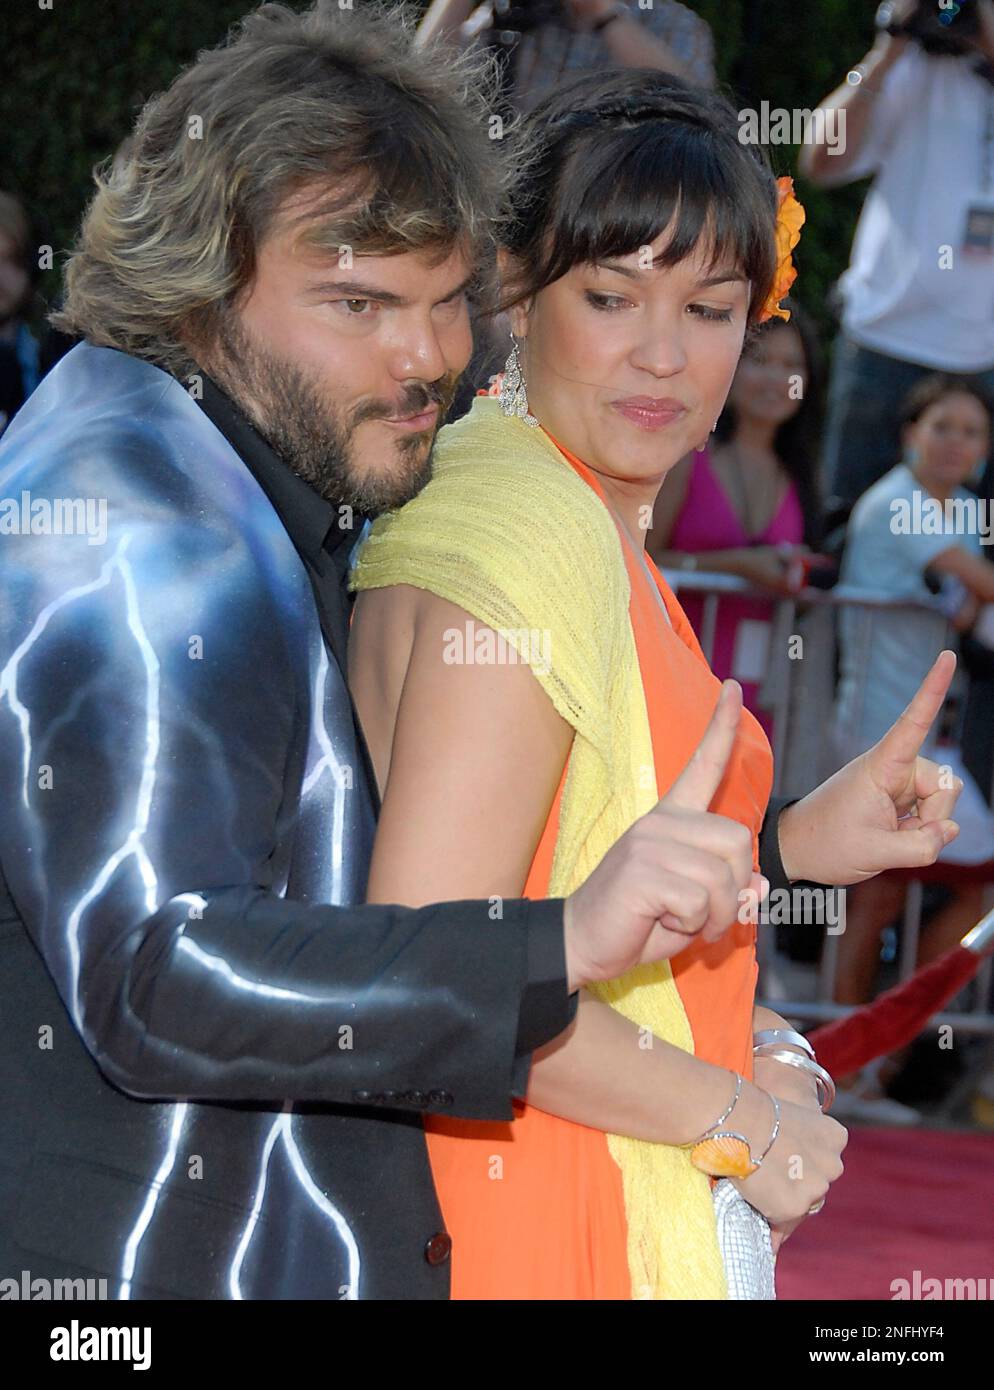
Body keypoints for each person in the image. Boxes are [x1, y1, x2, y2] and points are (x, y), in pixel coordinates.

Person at [0, 2, 795, 1303]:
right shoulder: (138, 518)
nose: (427, 355)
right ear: (198, 289)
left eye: (442, 300)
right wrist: (553, 945)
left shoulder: (238, 473)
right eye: (358, 301)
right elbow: (156, 968)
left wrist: (781, 859)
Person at [349, 70, 964, 1299]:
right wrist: (745, 1120)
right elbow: (438, 974)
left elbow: (570, 887)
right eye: (610, 295)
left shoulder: (560, 509)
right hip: (537, 1216)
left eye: (712, 308)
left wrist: (791, 845)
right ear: (515, 288)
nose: (664, 354)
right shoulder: (528, 532)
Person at [831, 375, 994, 1011]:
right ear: (910, 435)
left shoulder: (960, 510)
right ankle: (853, 1048)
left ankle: (885, 1040)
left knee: (941, 887)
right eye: (942, 426)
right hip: (878, 728)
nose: (956, 442)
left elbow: (966, 608)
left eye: (971, 431)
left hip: (925, 736)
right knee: (878, 893)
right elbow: (981, 587)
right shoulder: (902, 501)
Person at [799, 0, 994, 514]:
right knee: (846, 523)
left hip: (984, 357)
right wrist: (889, 46)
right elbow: (820, 160)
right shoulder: (915, 69)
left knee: (971, 544)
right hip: (883, 340)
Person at [648, 302, 827, 739]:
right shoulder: (688, 455)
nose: (776, 378)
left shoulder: (801, 475)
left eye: (792, 366)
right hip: (675, 679)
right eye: (760, 360)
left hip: (757, 696)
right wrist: (739, 566)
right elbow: (643, 559)